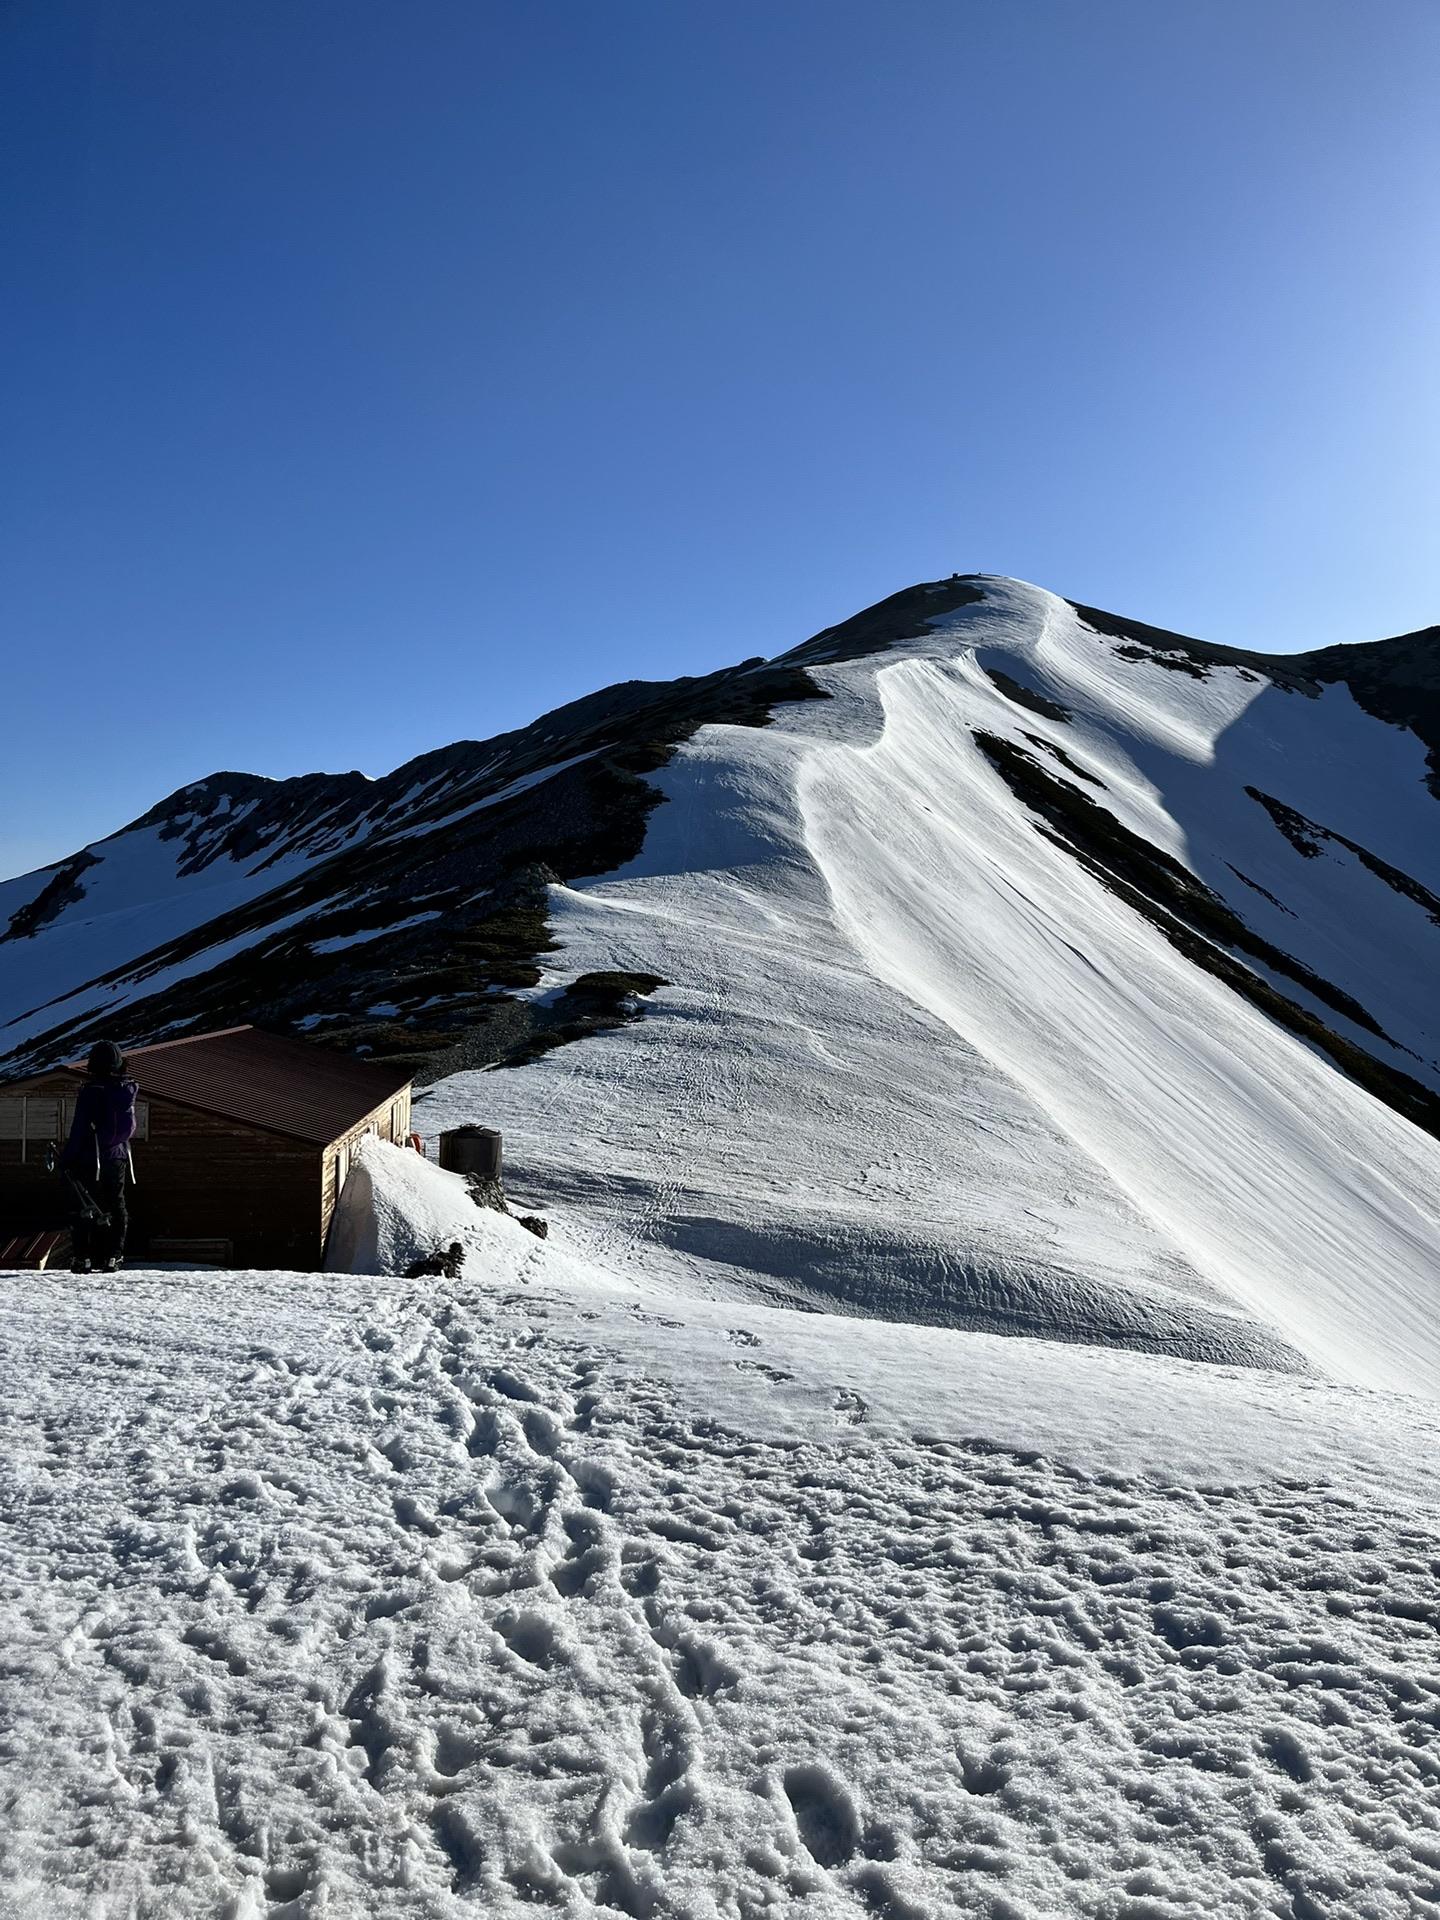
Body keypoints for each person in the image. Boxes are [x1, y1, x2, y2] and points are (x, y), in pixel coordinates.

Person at [58, 1041, 137, 1274]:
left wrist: (67, 1159)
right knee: (116, 1203)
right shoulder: (127, 1088)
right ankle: (114, 1255)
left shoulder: (91, 1092)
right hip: (120, 1155)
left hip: (89, 1156)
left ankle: (83, 1258)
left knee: (83, 1206)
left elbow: (79, 1129)